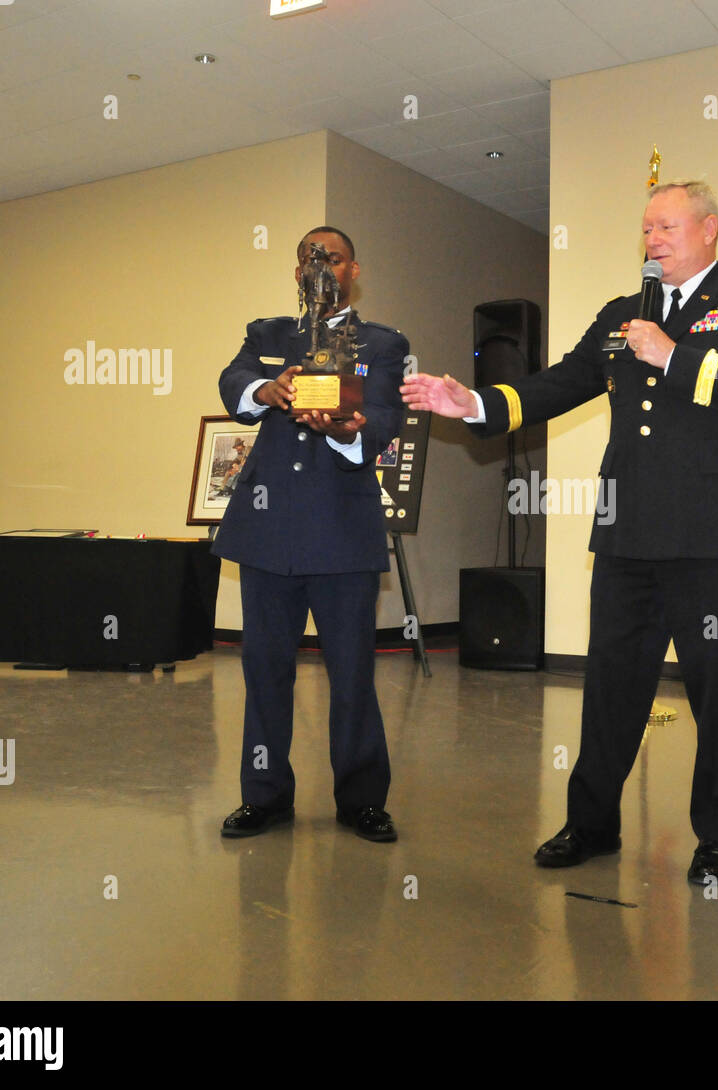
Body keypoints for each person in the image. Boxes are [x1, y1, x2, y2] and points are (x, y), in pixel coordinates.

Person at [402, 182, 718, 884]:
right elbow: (559, 383)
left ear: (709, 229)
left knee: (716, 693)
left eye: (667, 227)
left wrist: (676, 355)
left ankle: (717, 838)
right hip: (626, 534)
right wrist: (476, 404)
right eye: (646, 229)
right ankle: (591, 823)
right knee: (612, 686)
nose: (654, 240)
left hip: (715, 536)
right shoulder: (621, 315)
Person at [215, 226, 406, 842]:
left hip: (342, 537)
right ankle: (265, 796)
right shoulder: (269, 334)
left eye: (332, 257)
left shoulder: (384, 343)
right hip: (268, 536)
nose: (318, 265)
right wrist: (262, 389)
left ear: (354, 270)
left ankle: (360, 800)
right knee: (265, 672)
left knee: (352, 674)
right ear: (296, 272)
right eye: (307, 258)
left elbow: (382, 417)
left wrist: (347, 430)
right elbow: (233, 380)